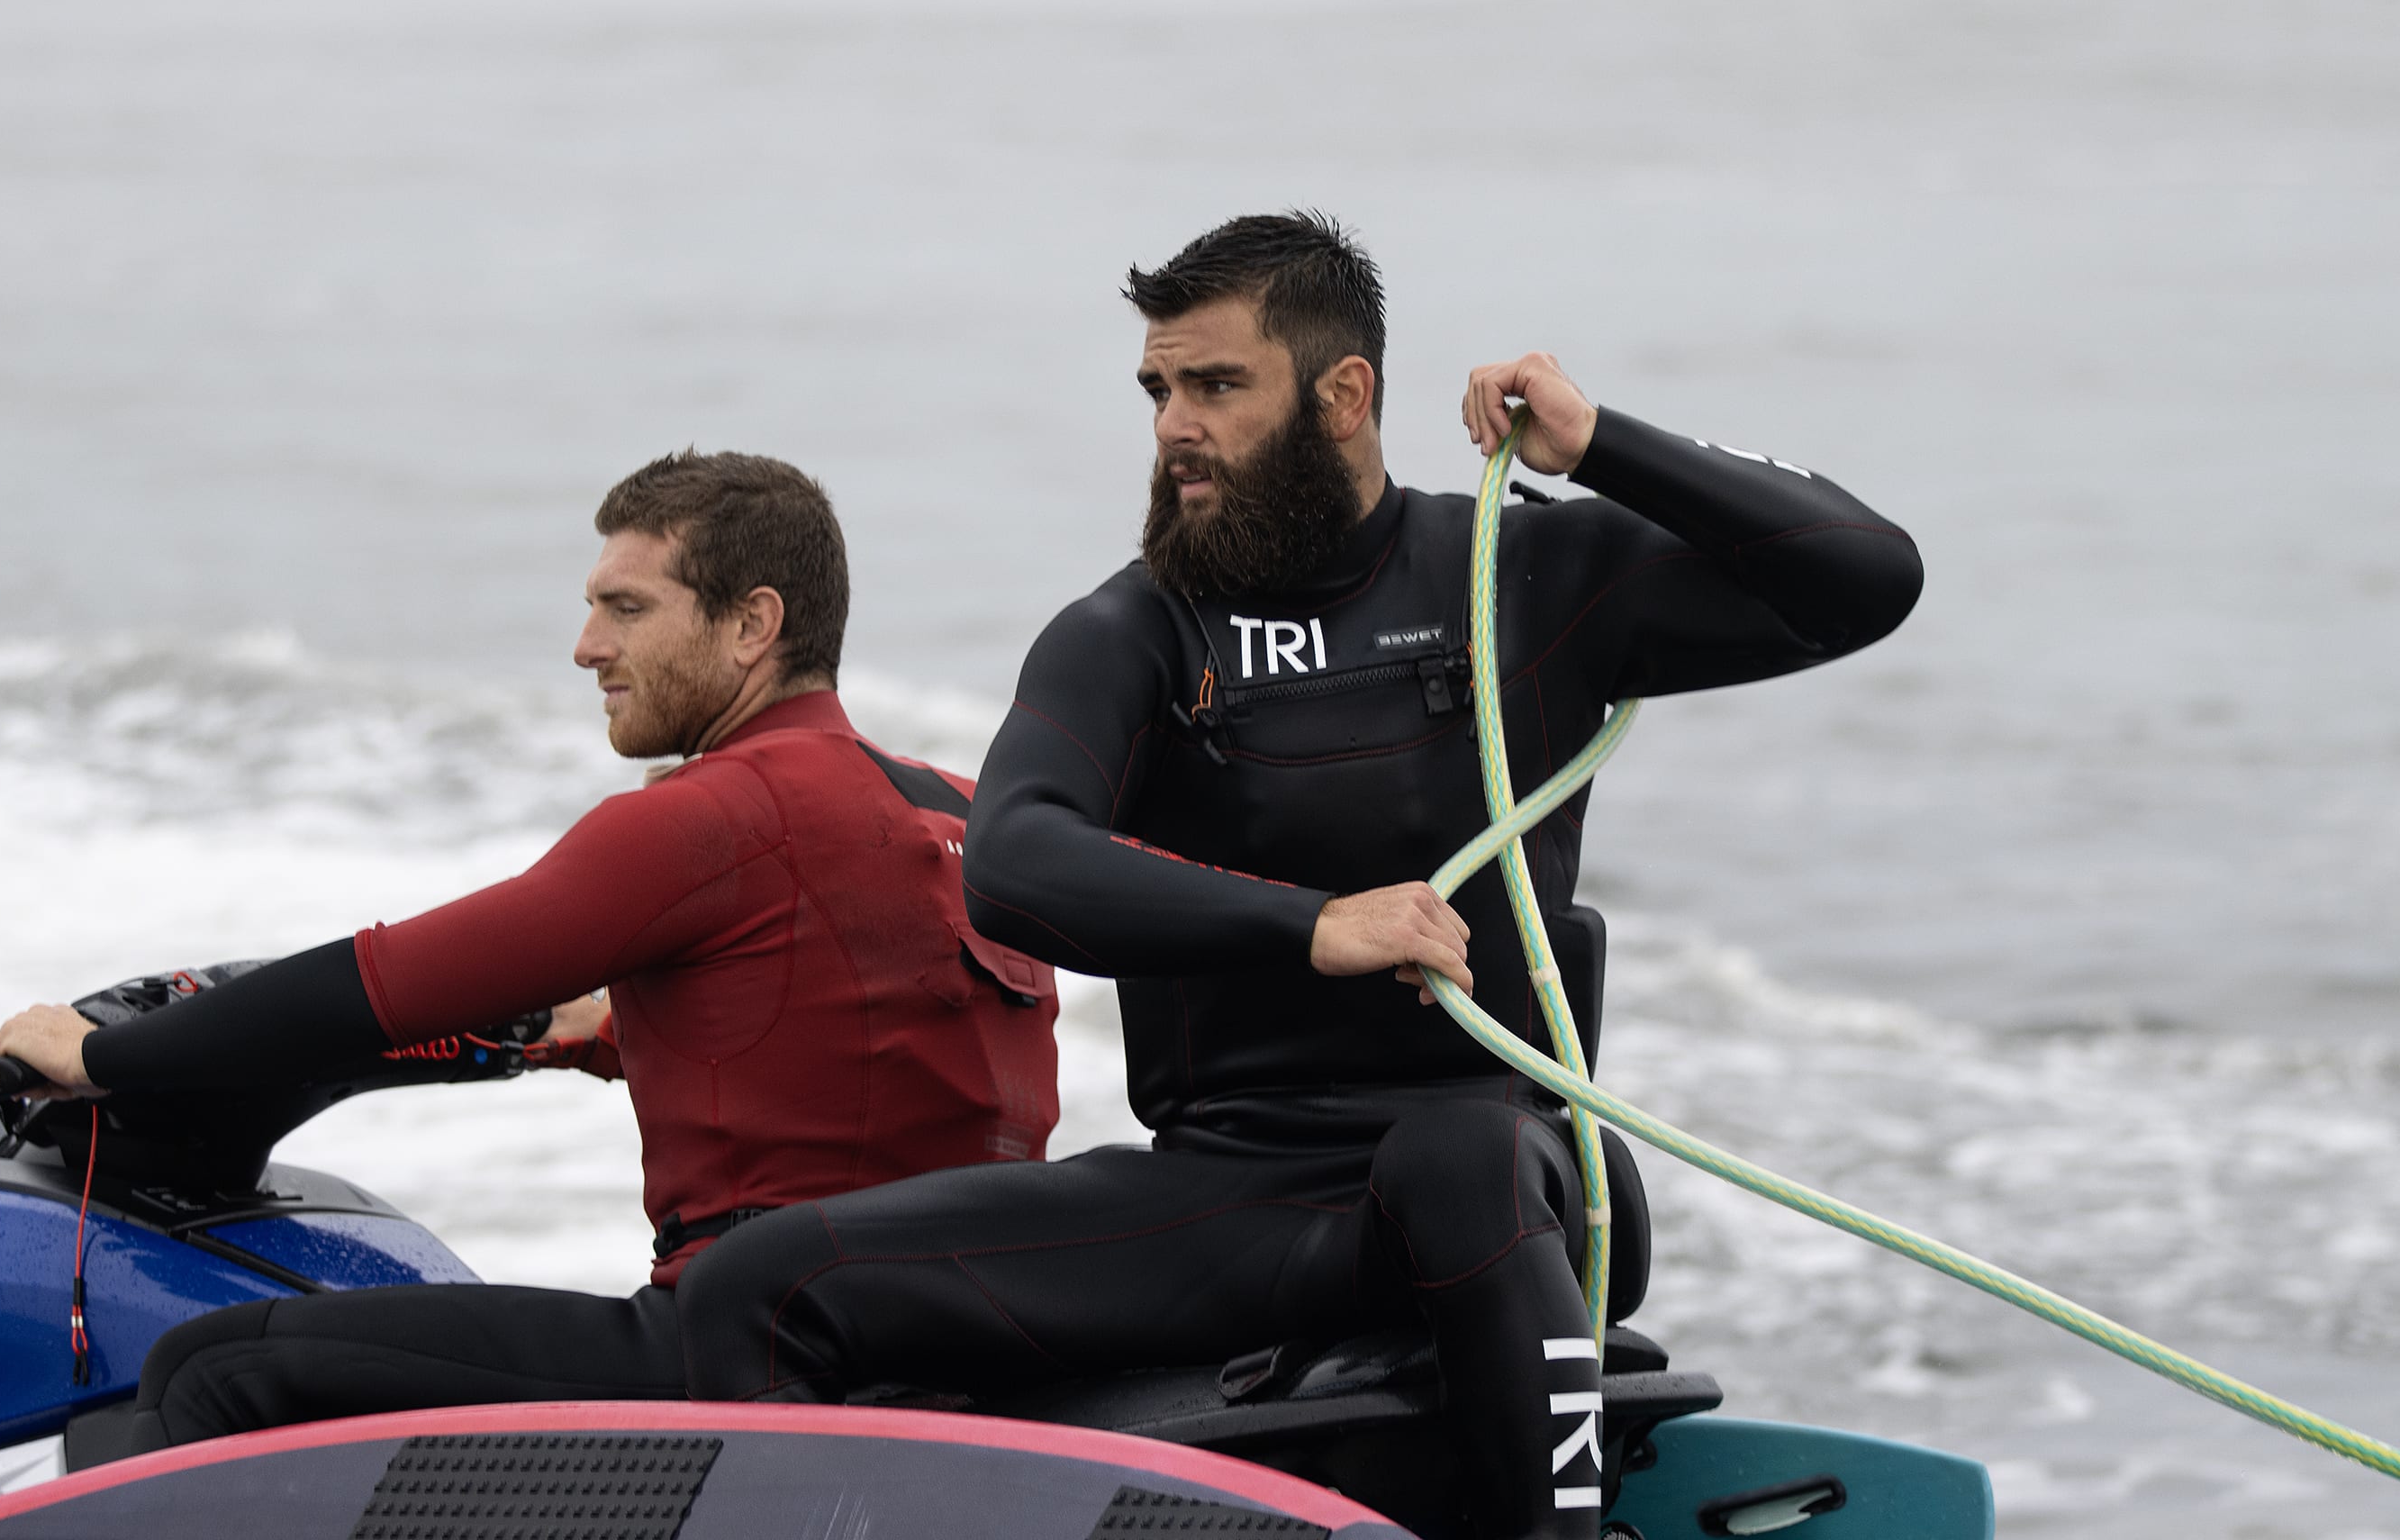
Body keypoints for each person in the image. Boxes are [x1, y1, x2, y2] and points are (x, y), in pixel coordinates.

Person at [677, 215, 1924, 1538]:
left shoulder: (1526, 574)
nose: (1173, 426)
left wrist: (1599, 442)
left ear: (1345, 396)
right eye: (1159, 389)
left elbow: (1864, 575)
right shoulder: (1141, 631)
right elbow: (1018, 863)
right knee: (758, 1287)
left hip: (1502, 1172)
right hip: (1232, 1189)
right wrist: (1314, 925)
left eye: (1217, 386)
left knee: (1454, 1160)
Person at [0, 449, 1058, 1450]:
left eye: (626, 608)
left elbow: (384, 983)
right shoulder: (957, 815)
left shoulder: (716, 816)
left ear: (751, 625)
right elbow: (851, 1046)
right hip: (961, 1344)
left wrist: (104, 1057)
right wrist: (590, 1031)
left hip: (752, 1350)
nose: (588, 645)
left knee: (206, 1367)